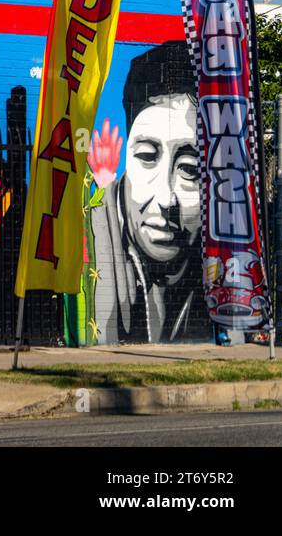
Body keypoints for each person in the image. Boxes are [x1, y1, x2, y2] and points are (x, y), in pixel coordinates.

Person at [91, 40, 207, 343]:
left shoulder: (217, 273)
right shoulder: (90, 238)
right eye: (146, 156)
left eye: (189, 169)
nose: (166, 199)